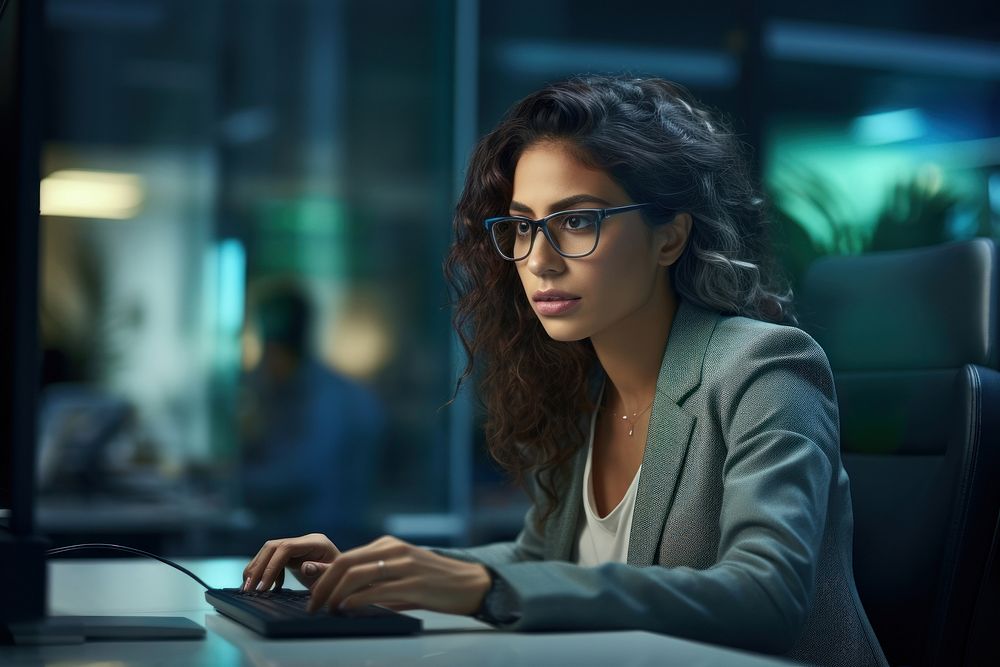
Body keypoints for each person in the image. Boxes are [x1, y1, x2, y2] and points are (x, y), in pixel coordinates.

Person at [240, 76, 888, 666]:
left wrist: (482, 586)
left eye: (577, 221)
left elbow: (766, 597)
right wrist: (383, 571)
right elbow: (537, 563)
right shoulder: (582, 384)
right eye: (523, 226)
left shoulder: (763, 367)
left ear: (671, 236)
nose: (539, 261)